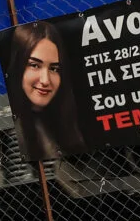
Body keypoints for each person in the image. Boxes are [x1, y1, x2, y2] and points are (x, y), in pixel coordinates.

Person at [5, 21, 83, 160]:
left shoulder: (68, 122)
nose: (45, 80)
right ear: (18, 66)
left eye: (54, 69)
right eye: (35, 65)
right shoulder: (13, 130)